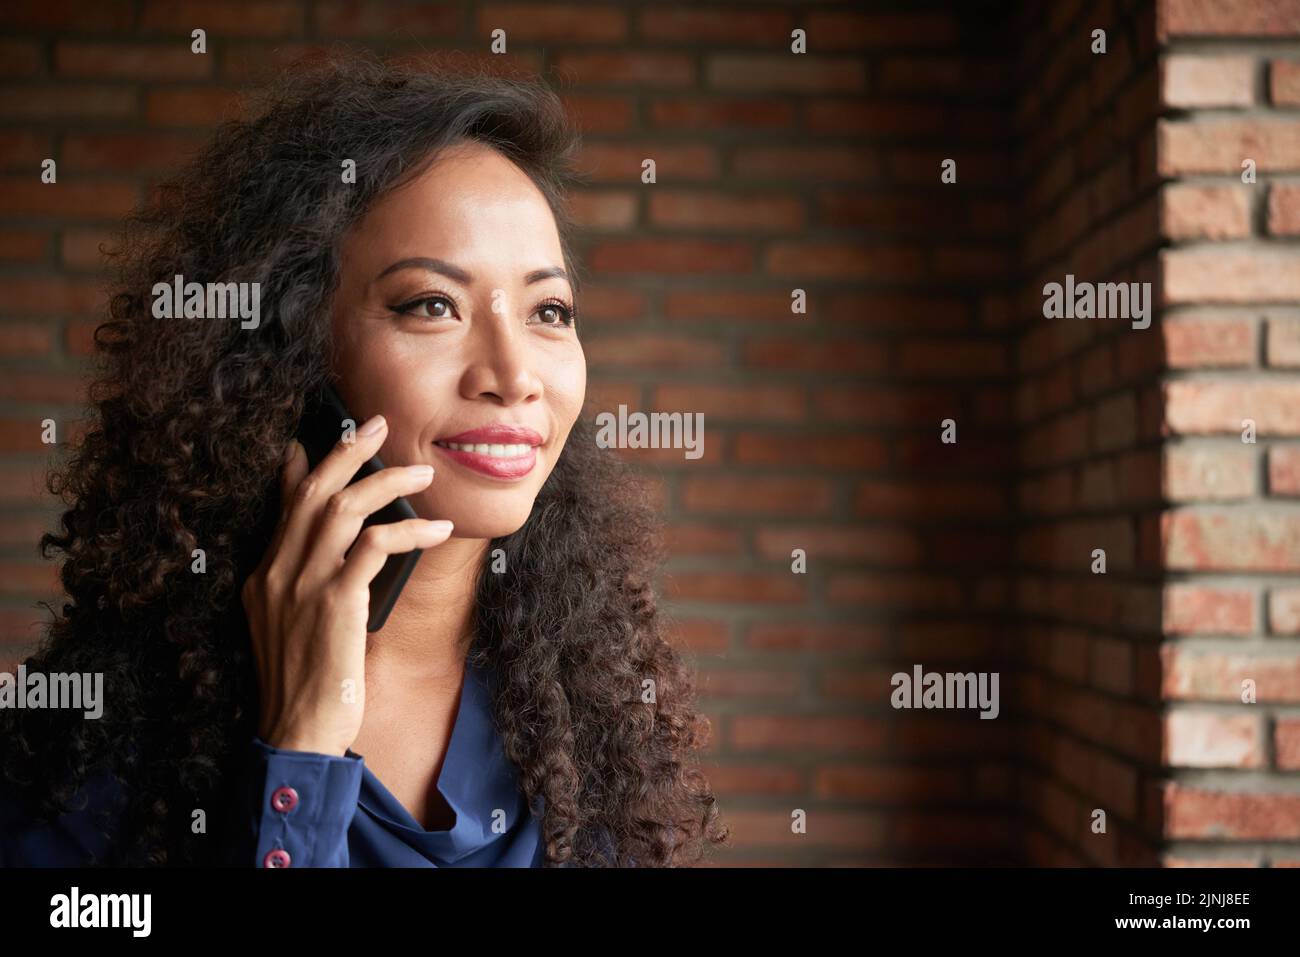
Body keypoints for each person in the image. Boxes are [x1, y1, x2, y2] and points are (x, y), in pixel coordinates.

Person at [0, 53, 728, 868]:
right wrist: (299, 751)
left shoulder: (585, 716)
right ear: (296, 354)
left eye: (548, 310)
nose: (514, 375)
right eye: (432, 305)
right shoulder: (100, 746)